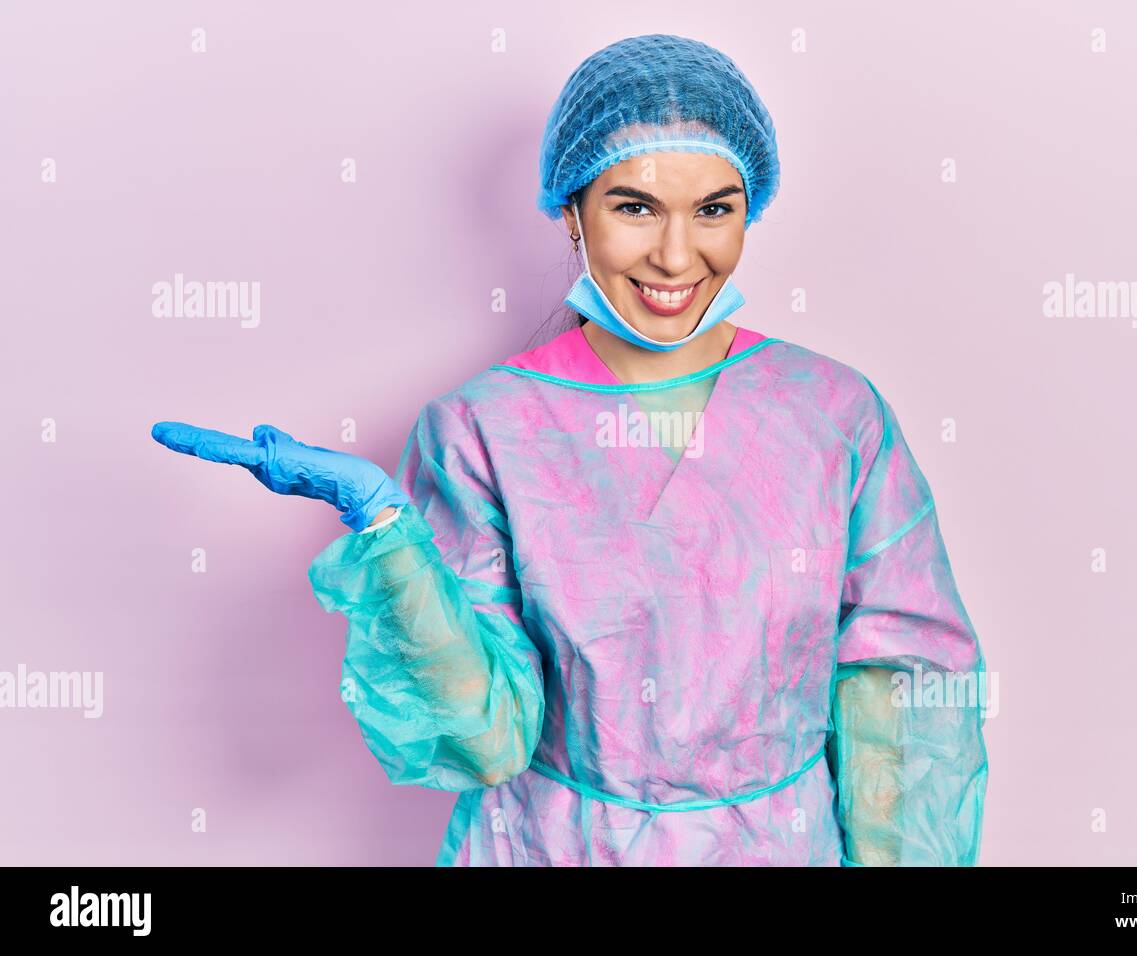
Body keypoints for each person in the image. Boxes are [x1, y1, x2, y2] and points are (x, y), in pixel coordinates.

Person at [151, 33, 989, 866]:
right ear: (570, 212)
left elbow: (903, 697)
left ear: (750, 207)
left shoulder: (833, 414)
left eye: (713, 209)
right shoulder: (483, 429)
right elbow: (482, 739)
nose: (674, 254)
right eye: (634, 207)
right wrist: (388, 538)